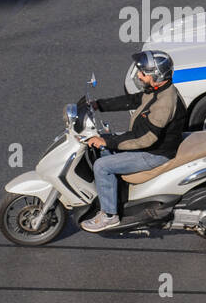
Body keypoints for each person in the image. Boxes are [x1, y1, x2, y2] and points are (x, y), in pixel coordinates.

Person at [80, 51, 188, 233]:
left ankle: (109, 215)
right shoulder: (158, 90)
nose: (138, 75)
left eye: (143, 73)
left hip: (155, 153)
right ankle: (118, 196)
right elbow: (133, 100)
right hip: (148, 142)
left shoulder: (164, 103)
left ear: (156, 76)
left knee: (101, 166)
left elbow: (145, 139)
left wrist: (108, 141)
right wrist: (99, 105)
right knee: (107, 145)